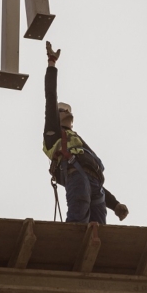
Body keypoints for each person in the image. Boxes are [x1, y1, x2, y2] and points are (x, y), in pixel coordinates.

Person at [43, 42, 128, 224]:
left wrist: (115, 204)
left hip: (93, 182)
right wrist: (51, 63)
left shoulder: (77, 141)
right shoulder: (53, 134)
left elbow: (95, 181)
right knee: (78, 217)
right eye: (63, 109)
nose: (67, 112)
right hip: (75, 174)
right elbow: (51, 96)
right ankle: (68, 245)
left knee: (99, 226)